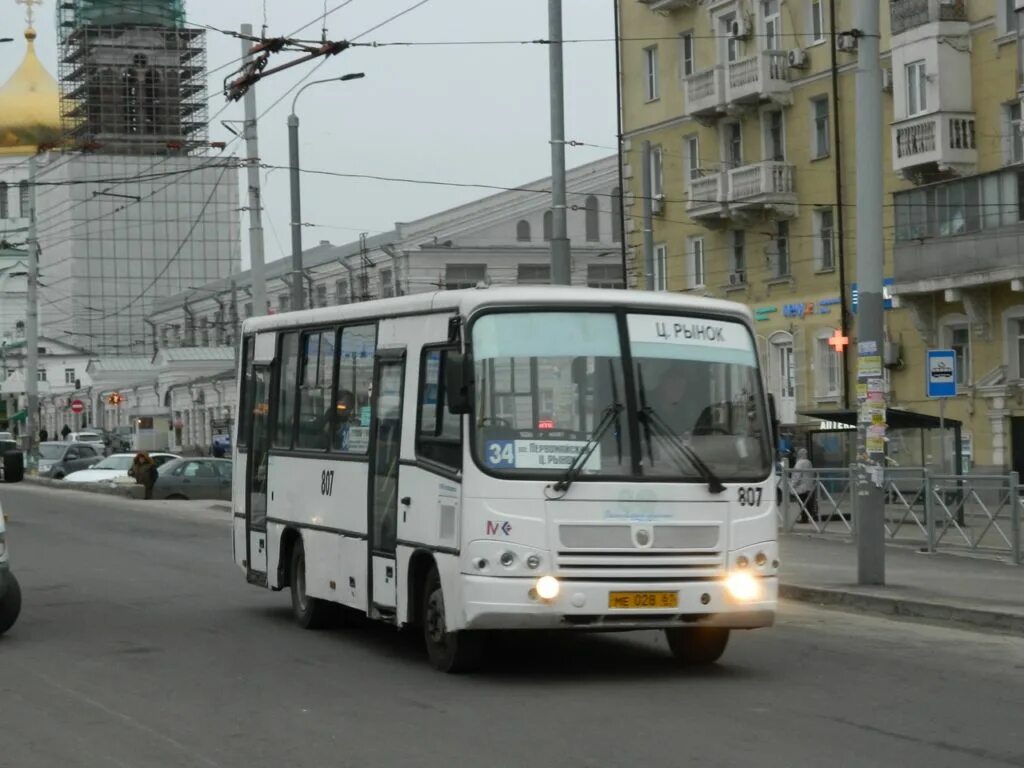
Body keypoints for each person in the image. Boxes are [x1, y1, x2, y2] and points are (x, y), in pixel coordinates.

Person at [791, 448, 817, 523]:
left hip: (801, 486)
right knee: (808, 502)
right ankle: (811, 516)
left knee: (802, 503)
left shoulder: (799, 463)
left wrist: (792, 485)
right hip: (809, 485)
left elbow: (797, 475)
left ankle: (804, 518)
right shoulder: (809, 462)